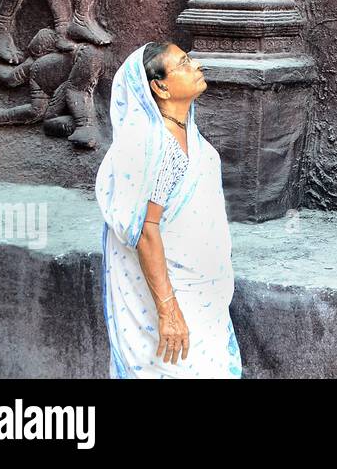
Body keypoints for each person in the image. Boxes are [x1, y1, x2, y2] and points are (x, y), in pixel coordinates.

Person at [95, 41, 241, 378]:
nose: (197, 66)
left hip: (202, 298)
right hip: (172, 306)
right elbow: (145, 230)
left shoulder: (186, 133)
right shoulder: (150, 142)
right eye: (184, 63)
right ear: (160, 87)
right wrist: (168, 311)